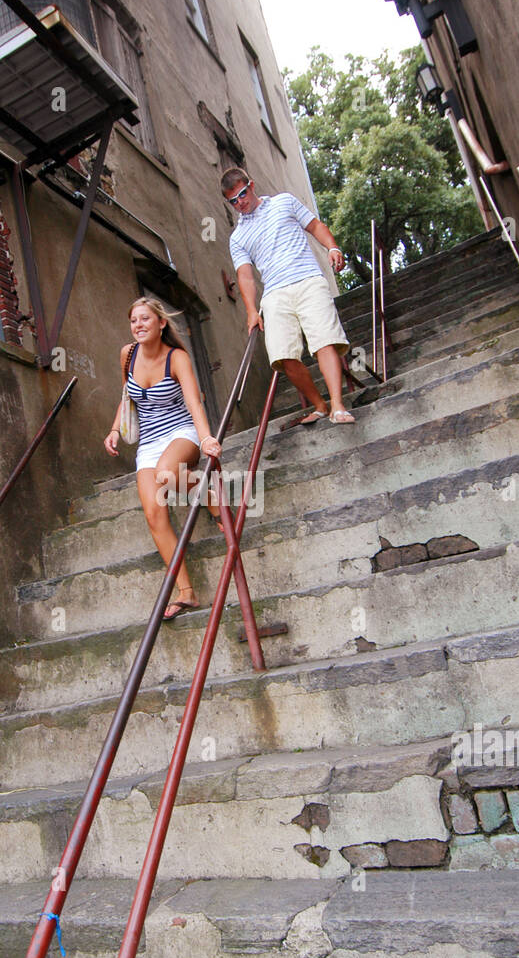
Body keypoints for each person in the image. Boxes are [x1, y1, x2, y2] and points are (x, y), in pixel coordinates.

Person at [104, 296, 222, 621]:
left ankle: (209, 495)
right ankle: (187, 592)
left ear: (161, 323)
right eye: (133, 320)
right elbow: (126, 395)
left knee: (166, 475)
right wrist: (115, 429)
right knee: (154, 515)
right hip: (149, 442)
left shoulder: (177, 358)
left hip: (183, 433)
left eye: (145, 319)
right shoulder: (127, 355)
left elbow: (194, 402)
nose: (138, 325)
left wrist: (208, 436)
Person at [222, 168, 356, 424]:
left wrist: (333, 247)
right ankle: (319, 405)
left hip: (307, 279)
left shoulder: (284, 201)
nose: (240, 202)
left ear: (251, 185)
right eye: (233, 201)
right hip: (274, 293)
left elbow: (315, 225)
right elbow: (245, 276)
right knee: (282, 356)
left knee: (324, 340)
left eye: (242, 194)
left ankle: (338, 405)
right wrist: (251, 310)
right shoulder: (237, 238)